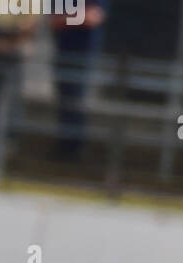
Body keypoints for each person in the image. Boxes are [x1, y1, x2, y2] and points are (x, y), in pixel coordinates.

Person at [51, 0, 107, 160]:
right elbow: (53, 21)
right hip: (63, 53)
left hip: (85, 56)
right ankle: (65, 147)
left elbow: (94, 17)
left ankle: (75, 150)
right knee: (65, 101)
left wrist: (65, 19)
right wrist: (78, 17)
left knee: (78, 101)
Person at [0, 6, 38, 149]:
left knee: (13, 96)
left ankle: (9, 140)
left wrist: (13, 38)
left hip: (16, 50)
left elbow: (31, 23)